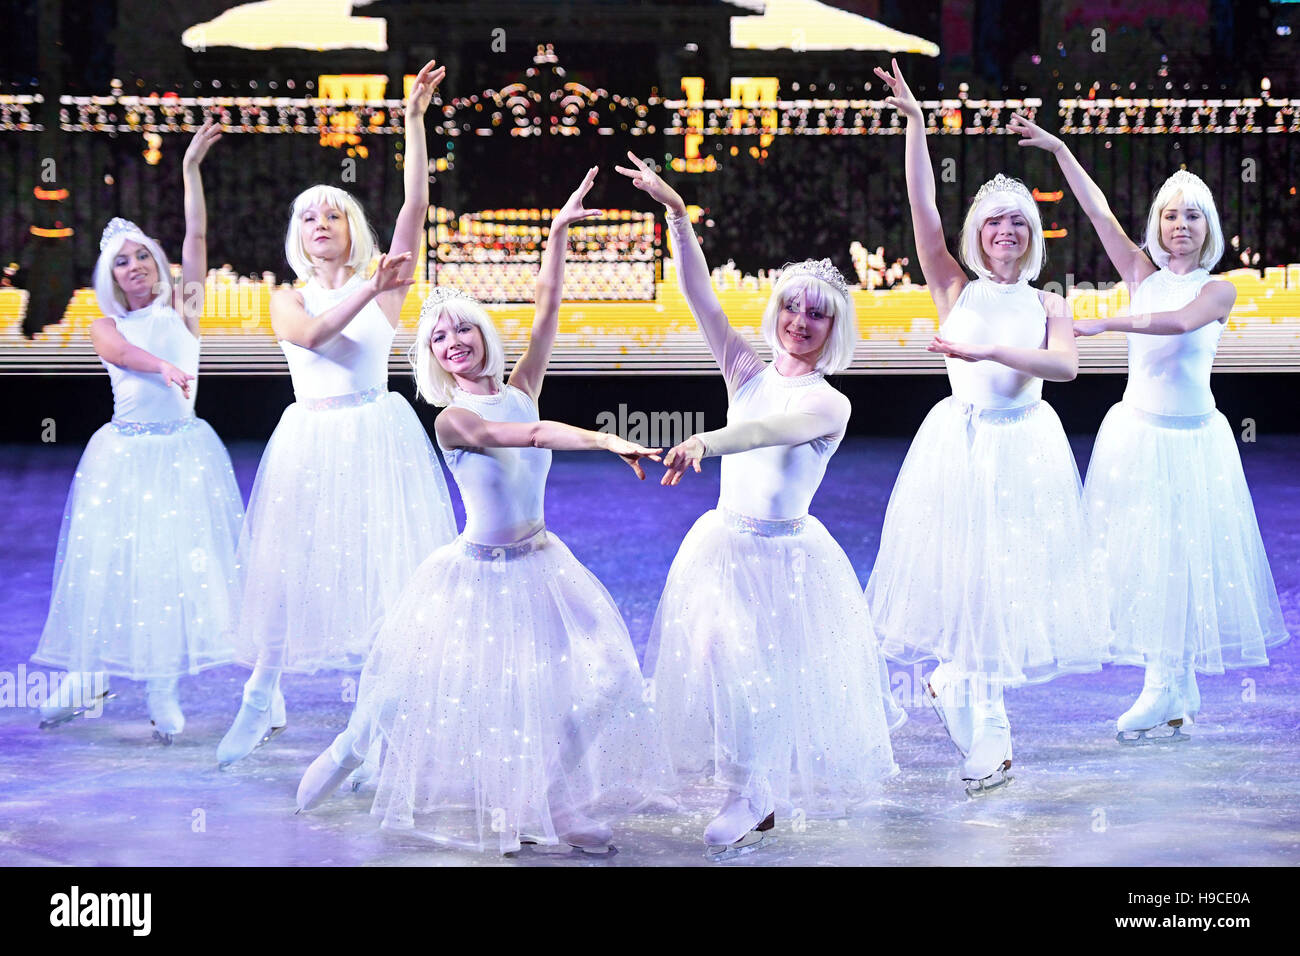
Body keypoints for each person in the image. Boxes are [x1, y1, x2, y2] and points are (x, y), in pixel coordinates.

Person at [296, 169, 671, 854]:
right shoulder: (453, 420)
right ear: (432, 359)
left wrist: (557, 233)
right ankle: (356, 744)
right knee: (406, 693)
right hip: (473, 574)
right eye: (439, 338)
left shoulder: (523, 385)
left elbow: (550, 306)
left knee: (611, 678)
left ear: (484, 335)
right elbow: (526, 436)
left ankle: (555, 795)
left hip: (543, 565)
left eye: (463, 329)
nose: (453, 341)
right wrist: (603, 438)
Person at [615, 152, 900, 859]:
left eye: (817, 315)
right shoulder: (745, 369)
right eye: (794, 308)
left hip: (790, 556)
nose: (802, 321)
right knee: (718, 654)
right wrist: (678, 214)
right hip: (724, 544)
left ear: (835, 329)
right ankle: (748, 786)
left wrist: (709, 441)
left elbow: (769, 430)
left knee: (766, 674)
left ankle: (754, 793)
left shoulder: (829, 400)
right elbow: (701, 297)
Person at [865, 61, 1107, 792]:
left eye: (1018, 223)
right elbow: (921, 209)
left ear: (1032, 237)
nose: (1005, 231)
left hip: (1024, 446)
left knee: (1004, 583)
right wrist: (914, 124)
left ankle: (960, 690)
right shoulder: (954, 285)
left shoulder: (1052, 302)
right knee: (971, 582)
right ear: (979, 233)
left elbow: (1063, 371)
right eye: (995, 222)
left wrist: (987, 348)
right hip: (960, 447)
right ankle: (990, 728)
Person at [1010, 114, 1290, 741]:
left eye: (1192, 215)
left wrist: (1108, 323)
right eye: (1170, 215)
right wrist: (1059, 151)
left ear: (1207, 228)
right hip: (1138, 436)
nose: (1179, 225)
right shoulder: (1142, 275)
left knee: (1180, 562)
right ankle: (1173, 683)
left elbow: (1176, 324)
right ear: (1158, 224)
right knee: (1148, 559)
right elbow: (1100, 212)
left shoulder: (1219, 291)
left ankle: (1166, 684)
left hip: (1193, 445)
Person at [218, 61, 457, 767]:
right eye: (308, 217)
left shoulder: (383, 286)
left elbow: (414, 206)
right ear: (297, 234)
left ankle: (377, 726)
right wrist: (368, 290)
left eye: (333, 214)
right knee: (288, 569)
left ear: (351, 229)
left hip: (376, 433)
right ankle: (261, 697)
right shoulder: (287, 296)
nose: (321, 223)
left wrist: (413, 123)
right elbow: (314, 337)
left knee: (386, 573)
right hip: (310, 435)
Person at [34, 120, 242, 744]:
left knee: (173, 568)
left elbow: (197, 233)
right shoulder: (103, 326)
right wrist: (165, 366)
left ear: (158, 264)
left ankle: (161, 686)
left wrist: (188, 171)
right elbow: (126, 357)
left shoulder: (185, 308)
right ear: (110, 275)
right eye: (121, 262)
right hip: (122, 457)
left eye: (142, 257)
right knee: (107, 565)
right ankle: (84, 674)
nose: (134, 267)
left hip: (181, 456)